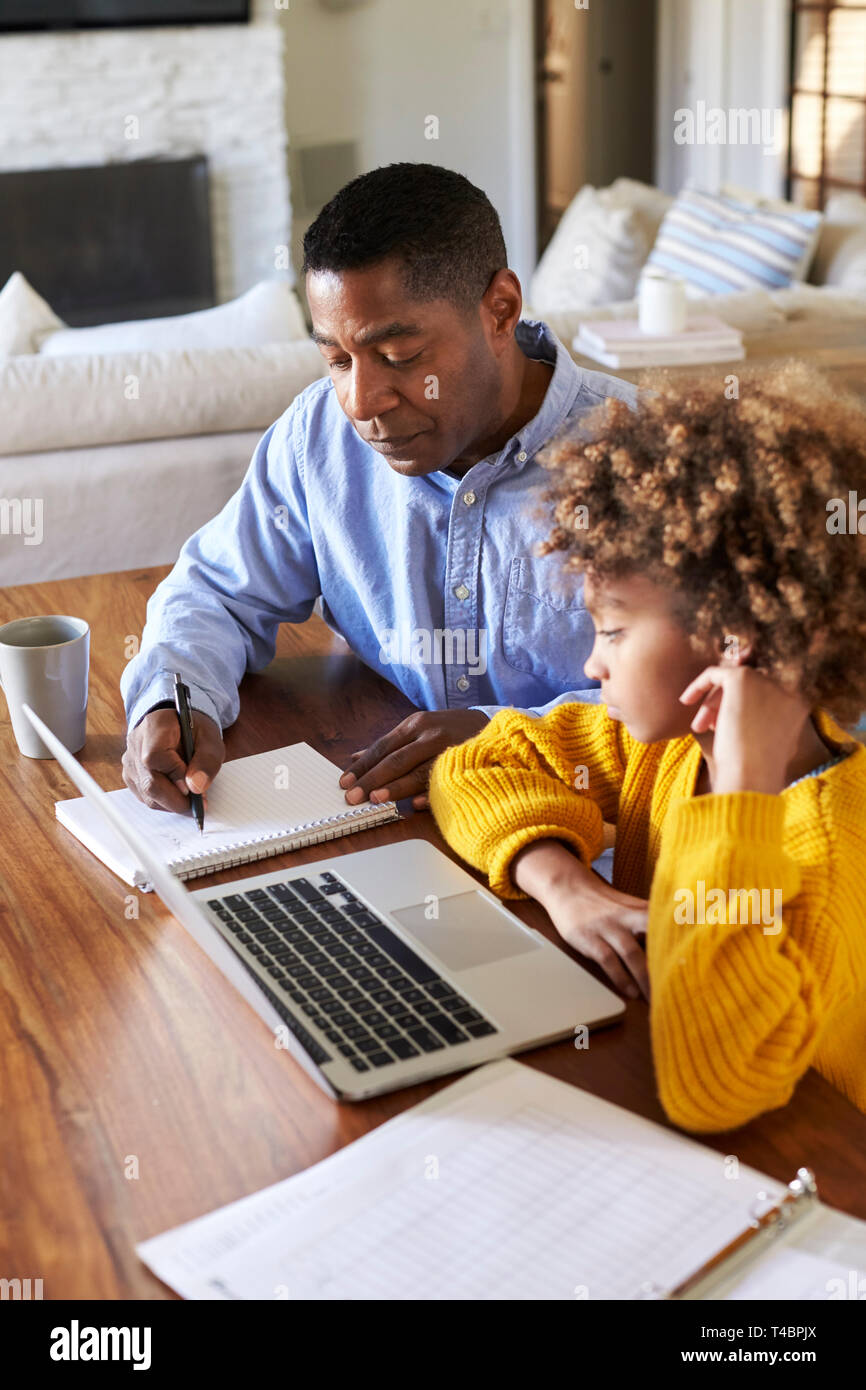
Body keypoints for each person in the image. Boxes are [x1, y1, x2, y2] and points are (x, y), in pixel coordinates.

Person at [120, 162, 636, 824]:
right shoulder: (317, 438)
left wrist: (506, 736)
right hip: (394, 821)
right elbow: (216, 592)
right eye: (336, 359)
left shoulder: (651, 463)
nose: (361, 403)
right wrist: (172, 699)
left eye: (398, 357)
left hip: (601, 837)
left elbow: (722, 688)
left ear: (500, 310)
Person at [428, 364, 866, 1133]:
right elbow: (476, 763)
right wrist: (565, 887)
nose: (593, 666)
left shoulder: (828, 848)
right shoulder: (660, 751)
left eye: (616, 631)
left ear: (736, 638)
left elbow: (717, 1084)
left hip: (812, 1180)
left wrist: (741, 792)